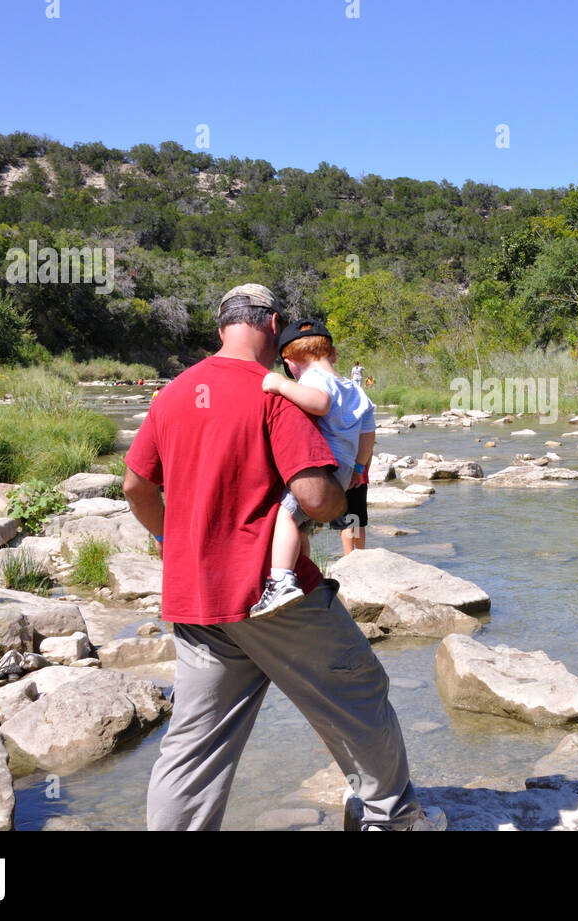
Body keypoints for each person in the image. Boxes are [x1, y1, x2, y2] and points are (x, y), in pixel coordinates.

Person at [122, 283, 443, 831]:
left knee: (194, 745)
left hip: (196, 597)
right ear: (272, 327)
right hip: (275, 595)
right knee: (359, 691)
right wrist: (347, 502)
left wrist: (168, 542)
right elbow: (315, 497)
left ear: (222, 327)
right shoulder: (273, 390)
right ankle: (392, 820)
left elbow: (134, 487)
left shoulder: (174, 393)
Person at [255, 318, 375, 616]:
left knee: (286, 514)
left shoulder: (311, 379)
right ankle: (308, 580)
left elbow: (319, 403)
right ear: (332, 353)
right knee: (302, 524)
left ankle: (281, 580)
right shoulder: (355, 389)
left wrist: (281, 384)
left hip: (321, 467)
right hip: (344, 470)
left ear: (291, 361)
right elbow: (368, 433)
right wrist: (359, 468)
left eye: (288, 369)